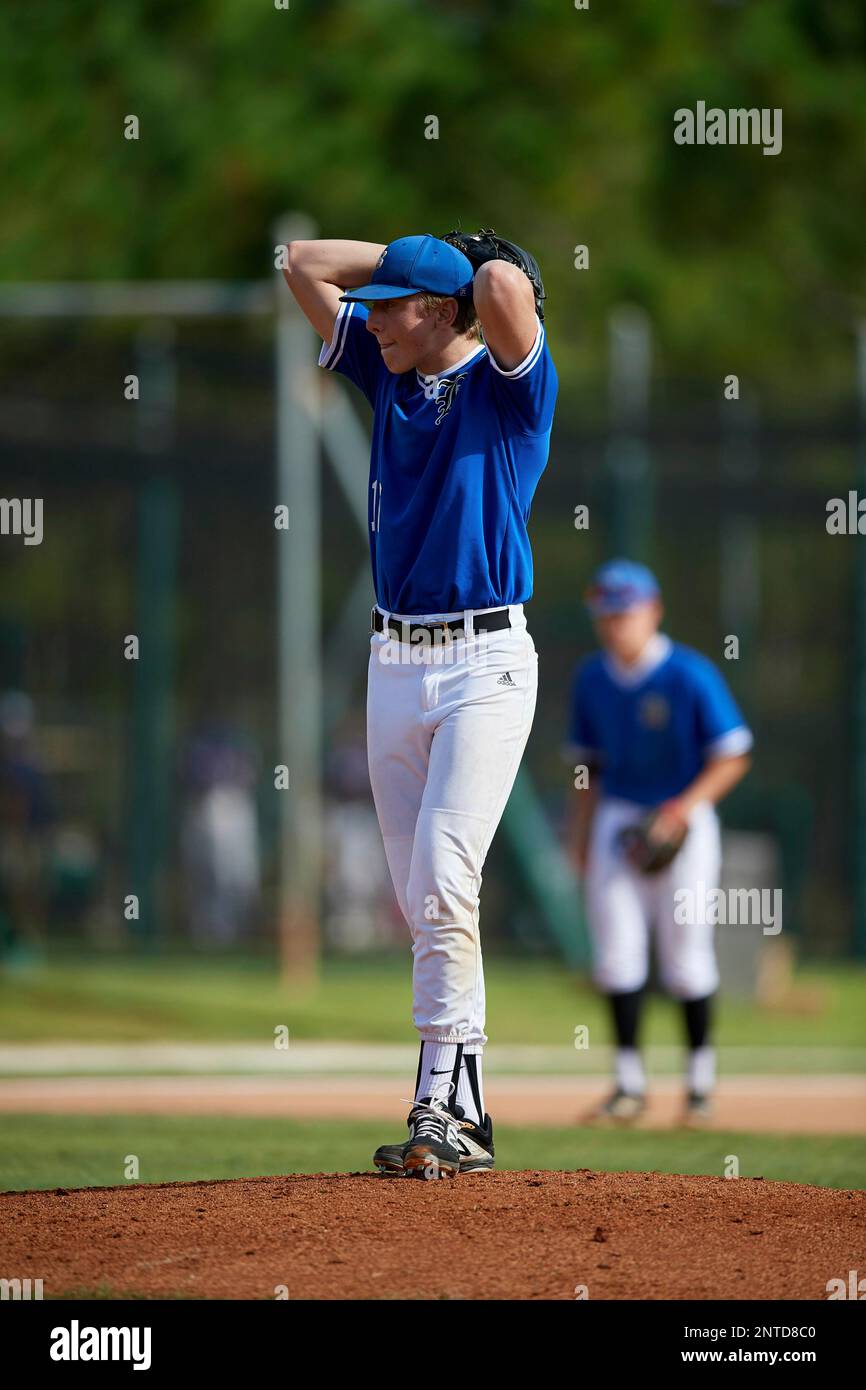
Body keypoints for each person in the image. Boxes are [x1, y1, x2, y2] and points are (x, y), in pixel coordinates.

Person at [282, 231, 557, 1177]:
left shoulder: (509, 391)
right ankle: (465, 1101)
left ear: (442, 310)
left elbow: (504, 293)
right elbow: (301, 263)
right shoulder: (389, 371)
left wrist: (471, 264)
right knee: (422, 900)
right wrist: (415, 252)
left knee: (444, 877)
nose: (371, 313)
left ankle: (438, 1100)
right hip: (392, 661)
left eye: (396, 300)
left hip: (486, 661)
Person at [565, 559, 752, 1124]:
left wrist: (682, 809)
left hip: (684, 818)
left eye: (624, 612)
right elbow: (587, 770)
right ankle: (628, 1086)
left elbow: (733, 754)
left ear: (654, 611)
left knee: (686, 956)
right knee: (617, 953)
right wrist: (579, 839)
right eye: (606, 614)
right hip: (619, 819)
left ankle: (699, 1086)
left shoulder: (688, 675)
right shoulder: (592, 678)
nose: (614, 624)